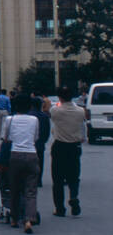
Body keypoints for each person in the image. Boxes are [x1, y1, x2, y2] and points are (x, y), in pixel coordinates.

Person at [1, 93, 39, 233]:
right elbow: (36, 138)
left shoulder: (9, 119)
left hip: (15, 155)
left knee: (14, 188)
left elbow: (5, 138)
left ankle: (14, 218)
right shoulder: (34, 120)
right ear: (30, 106)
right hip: (31, 154)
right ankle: (29, 219)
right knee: (30, 190)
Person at [50, 86, 87, 217]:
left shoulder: (55, 111)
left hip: (60, 145)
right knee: (74, 176)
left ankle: (60, 208)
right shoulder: (80, 111)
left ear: (59, 97)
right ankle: (74, 196)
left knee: (58, 179)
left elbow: (53, 119)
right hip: (75, 146)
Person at [30, 95, 51, 187]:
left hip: (29, 143)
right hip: (40, 143)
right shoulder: (44, 116)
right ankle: (38, 180)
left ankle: (30, 179)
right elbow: (47, 131)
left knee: (30, 163)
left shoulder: (28, 115)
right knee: (40, 162)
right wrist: (43, 140)